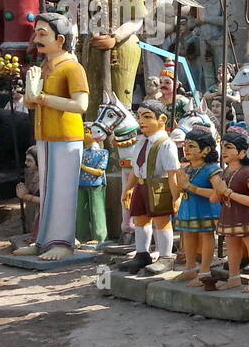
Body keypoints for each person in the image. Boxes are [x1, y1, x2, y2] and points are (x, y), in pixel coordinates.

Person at [15, 13, 88, 261]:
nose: (37, 38)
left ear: (60, 39)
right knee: (47, 191)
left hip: (66, 137)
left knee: (63, 191)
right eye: (37, 33)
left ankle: (64, 242)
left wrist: (43, 98)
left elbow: (81, 105)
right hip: (44, 136)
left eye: (43, 33)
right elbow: (31, 103)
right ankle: (44, 239)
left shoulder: (72, 67)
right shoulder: (43, 68)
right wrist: (30, 91)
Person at [61, 0, 145, 122]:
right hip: (93, 45)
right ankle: (93, 144)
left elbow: (137, 20)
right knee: (92, 98)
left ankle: (118, 148)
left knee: (117, 101)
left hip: (120, 48)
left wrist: (114, 38)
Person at [120, 100, 181, 271]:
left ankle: (165, 256)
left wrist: (176, 196)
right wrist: (127, 188)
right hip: (141, 186)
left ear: (162, 119)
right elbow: (135, 169)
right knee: (140, 220)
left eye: (147, 117)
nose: (141, 121)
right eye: (139, 117)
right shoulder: (140, 142)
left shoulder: (166, 145)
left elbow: (172, 174)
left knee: (161, 221)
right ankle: (142, 254)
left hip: (159, 187)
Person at [212, 131, 249, 292]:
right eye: (223, 147)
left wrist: (228, 193)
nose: (224, 151)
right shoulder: (224, 172)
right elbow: (215, 199)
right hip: (231, 214)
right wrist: (217, 188)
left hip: (248, 215)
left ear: (242, 152)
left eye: (229, 147)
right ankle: (233, 277)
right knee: (232, 244)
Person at [172, 129, 220, 285]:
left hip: (205, 209)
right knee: (187, 236)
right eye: (185, 145)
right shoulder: (186, 169)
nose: (186, 149)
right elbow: (180, 188)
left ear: (205, 150)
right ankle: (190, 268)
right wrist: (179, 185)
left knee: (206, 236)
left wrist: (190, 187)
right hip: (188, 207)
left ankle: (205, 270)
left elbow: (217, 192)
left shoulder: (211, 170)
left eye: (192, 146)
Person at [76, 124, 109, 248]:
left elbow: (100, 171)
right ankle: (81, 235)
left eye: (86, 132)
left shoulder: (102, 152)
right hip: (81, 183)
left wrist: (83, 167)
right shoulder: (81, 152)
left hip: (96, 184)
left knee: (97, 210)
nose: (84, 135)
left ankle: (99, 236)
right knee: (81, 211)